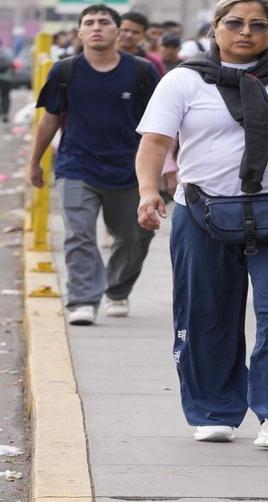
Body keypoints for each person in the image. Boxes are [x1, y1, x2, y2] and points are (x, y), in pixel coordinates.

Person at [134, 0, 268, 448]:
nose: (245, 32)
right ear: (215, 28)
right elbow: (155, 141)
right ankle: (213, 411)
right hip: (202, 213)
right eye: (234, 23)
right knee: (206, 312)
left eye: (257, 25)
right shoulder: (184, 80)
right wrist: (149, 191)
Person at [29, 4, 160, 326]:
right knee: (79, 234)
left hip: (128, 170)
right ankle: (83, 300)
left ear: (118, 30)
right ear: (80, 32)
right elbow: (50, 118)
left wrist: (165, 170)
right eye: (89, 23)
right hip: (77, 166)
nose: (96, 27)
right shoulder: (65, 71)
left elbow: (161, 125)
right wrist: (35, 161)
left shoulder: (142, 72)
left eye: (104, 22)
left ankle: (117, 290)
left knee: (132, 238)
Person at [118, 11, 167, 75]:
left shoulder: (152, 64)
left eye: (135, 32)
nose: (129, 35)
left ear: (143, 35)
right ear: (116, 30)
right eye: (125, 30)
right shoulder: (104, 58)